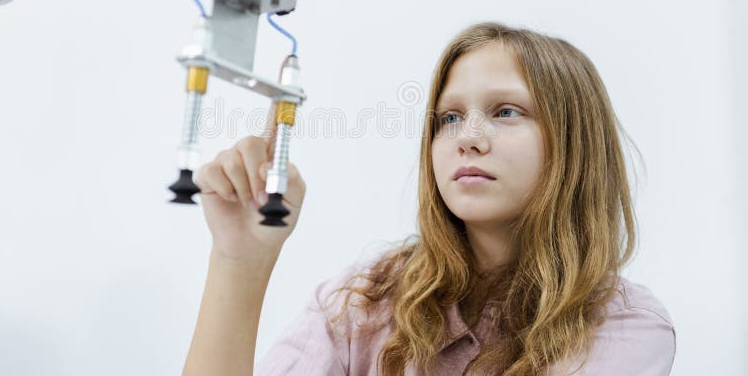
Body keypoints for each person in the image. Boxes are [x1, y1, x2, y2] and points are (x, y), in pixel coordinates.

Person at [181, 22, 676, 376]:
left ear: (575, 143)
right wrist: (238, 262)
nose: (468, 137)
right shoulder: (366, 300)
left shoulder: (626, 328)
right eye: (450, 118)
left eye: (505, 111)